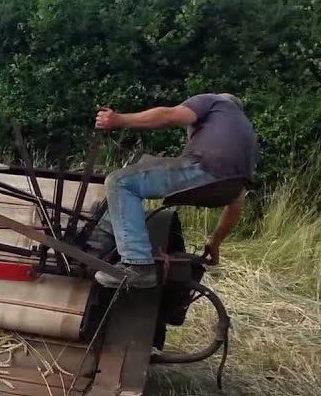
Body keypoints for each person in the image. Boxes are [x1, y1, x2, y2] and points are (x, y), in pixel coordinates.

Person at [87, 93, 257, 289]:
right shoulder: (246, 134)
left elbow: (169, 115)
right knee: (144, 168)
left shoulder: (214, 101)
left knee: (120, 182)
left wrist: (119, 120)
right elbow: (236, 205)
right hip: (223, 188)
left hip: (201, 168)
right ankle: (103, 237)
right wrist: (215, 242)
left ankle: (138, 265)